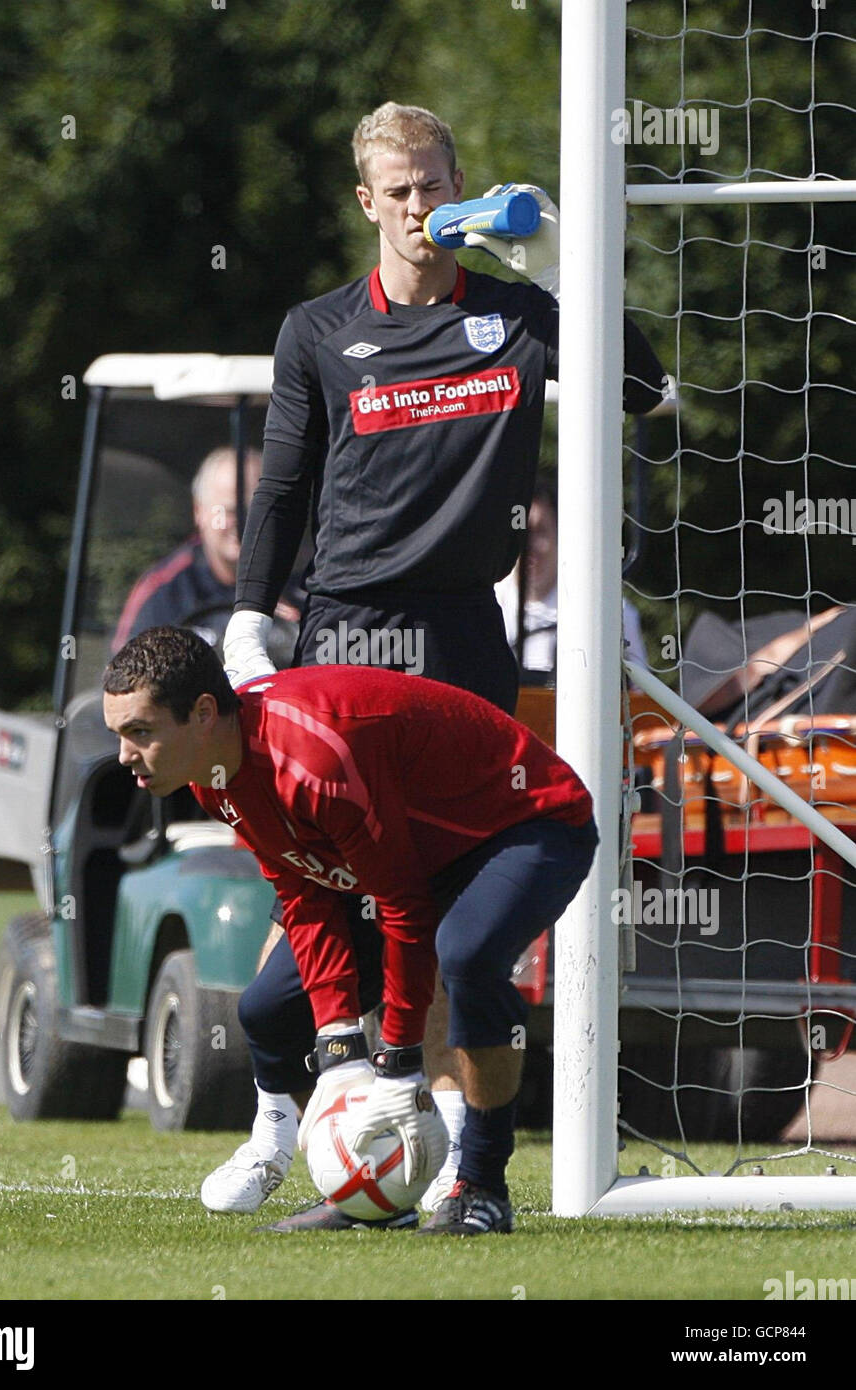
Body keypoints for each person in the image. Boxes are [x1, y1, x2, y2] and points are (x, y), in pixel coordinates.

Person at [213, 101, 665, 1223]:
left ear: (459, 186)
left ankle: (475, 1176)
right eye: (398, 190)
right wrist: (244, 618)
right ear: (367, 203)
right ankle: (286, 1129)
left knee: (460, 937)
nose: (420, 207)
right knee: (295, 970)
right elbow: (278, 490)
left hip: (463, 636)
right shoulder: (317, 329)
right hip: (340, 638)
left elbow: (644, 389)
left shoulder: (512, 312)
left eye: (434, 183)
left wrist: (562, 262)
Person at [103, 626, 598, 1234]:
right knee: (268, 1011)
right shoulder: (213, 777)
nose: (125, 755)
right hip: (423, 854)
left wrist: (397, 1063)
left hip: (527, 823)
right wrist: (340, 1052)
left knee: (466, 957)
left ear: (204, 713)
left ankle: (481, 1187)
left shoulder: (312, 759)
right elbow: (305, 894)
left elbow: (403, 907)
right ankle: (371, 1189)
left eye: (140, 732)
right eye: (121, 735)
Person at [113, 446, 297, 653]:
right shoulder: (165, 590)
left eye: (256, 511)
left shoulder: (302, 584)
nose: (244, 523)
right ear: (198, 511)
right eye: (230, 511)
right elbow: (126, 676)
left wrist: (299, 629)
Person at [494, 481, 649, 679]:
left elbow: (638, 696)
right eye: (522, 533)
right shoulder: (486, 605)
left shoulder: (610, 613)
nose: (529, 546)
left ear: (562, 537)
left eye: (540, 531)